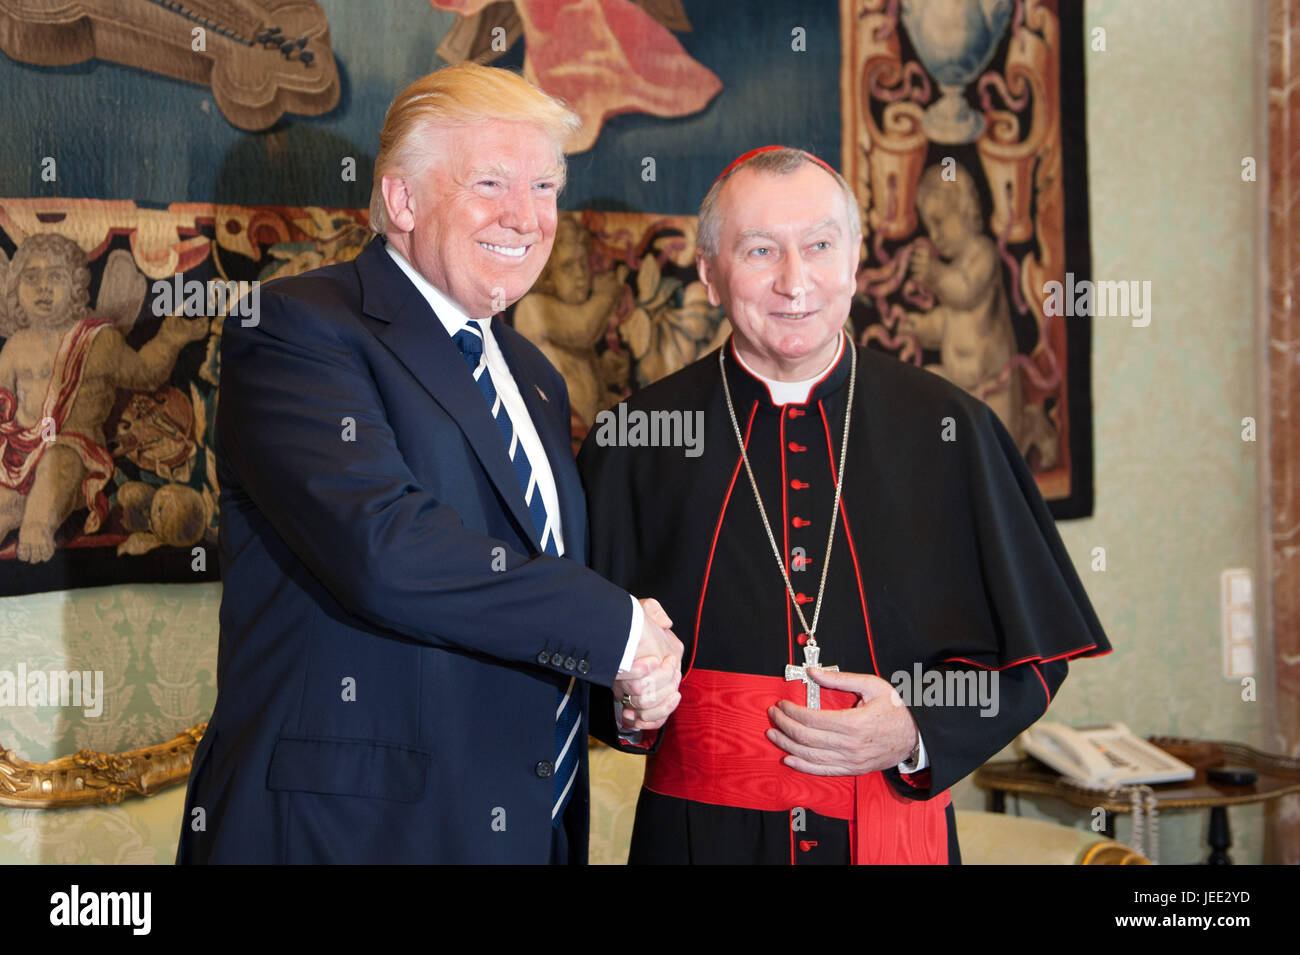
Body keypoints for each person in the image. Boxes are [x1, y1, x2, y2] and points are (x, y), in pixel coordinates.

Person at [176, 63, 682, 865]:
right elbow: (387, 549)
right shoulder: (296, 330)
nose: (527, 217)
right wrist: (616, 628)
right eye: (492, 182)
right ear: (403, 200)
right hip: (349, 837)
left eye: (546, 186)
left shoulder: (537, 379)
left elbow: (522, 593)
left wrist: (621, 690)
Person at [577, 146, 1111, 865]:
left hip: (891, 831)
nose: (795, 282)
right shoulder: (632, 440)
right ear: (709, 273)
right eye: (760, 249)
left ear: (855, 262)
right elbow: (571, 651)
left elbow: (1033, 660)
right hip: (699, 842)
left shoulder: (953, 429)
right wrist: (629, 704)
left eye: (819, 246)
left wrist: (916, 726)